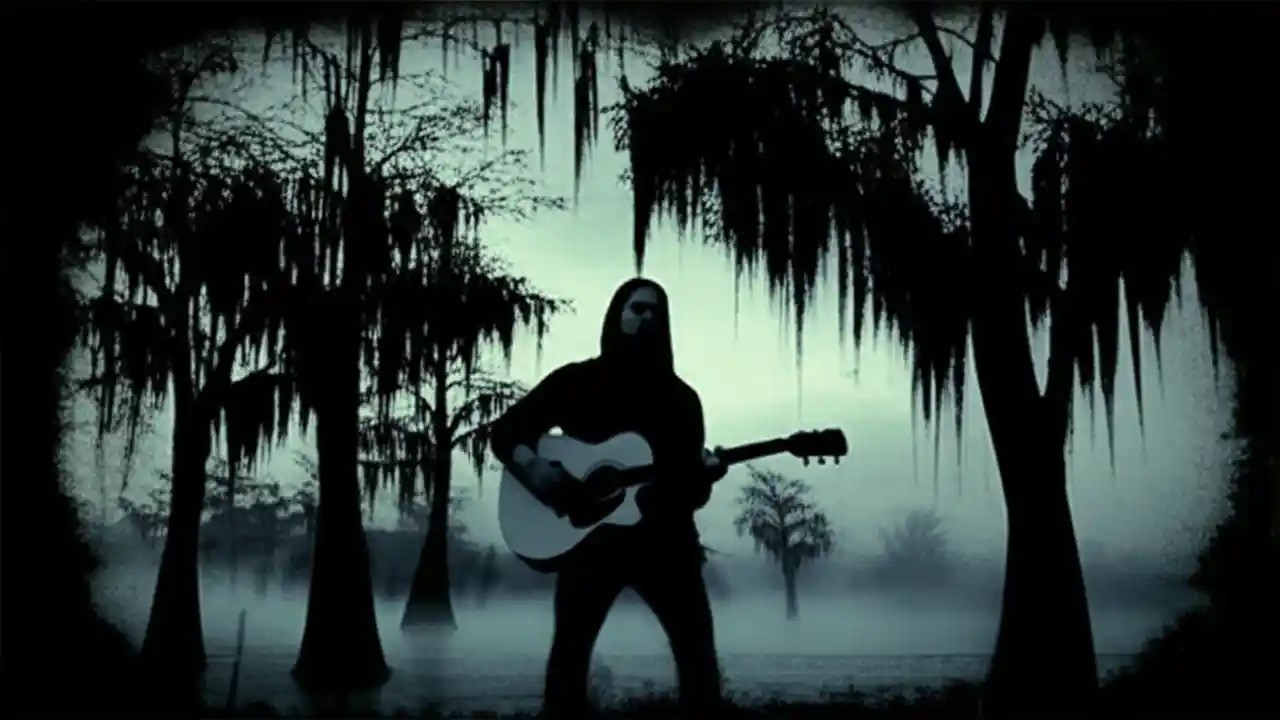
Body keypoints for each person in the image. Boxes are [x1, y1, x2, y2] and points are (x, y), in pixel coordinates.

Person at [489, 277, 728, 718]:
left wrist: (705, 478)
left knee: (698, 660)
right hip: (589, 544)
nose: (647, 318)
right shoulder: (576, 381)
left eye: (657, 312)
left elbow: (689, 494)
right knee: (568, 663)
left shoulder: (681, 400)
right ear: (616, 315)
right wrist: (539, 473)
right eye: (638, 308)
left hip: (665, 545)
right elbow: (506, 432)